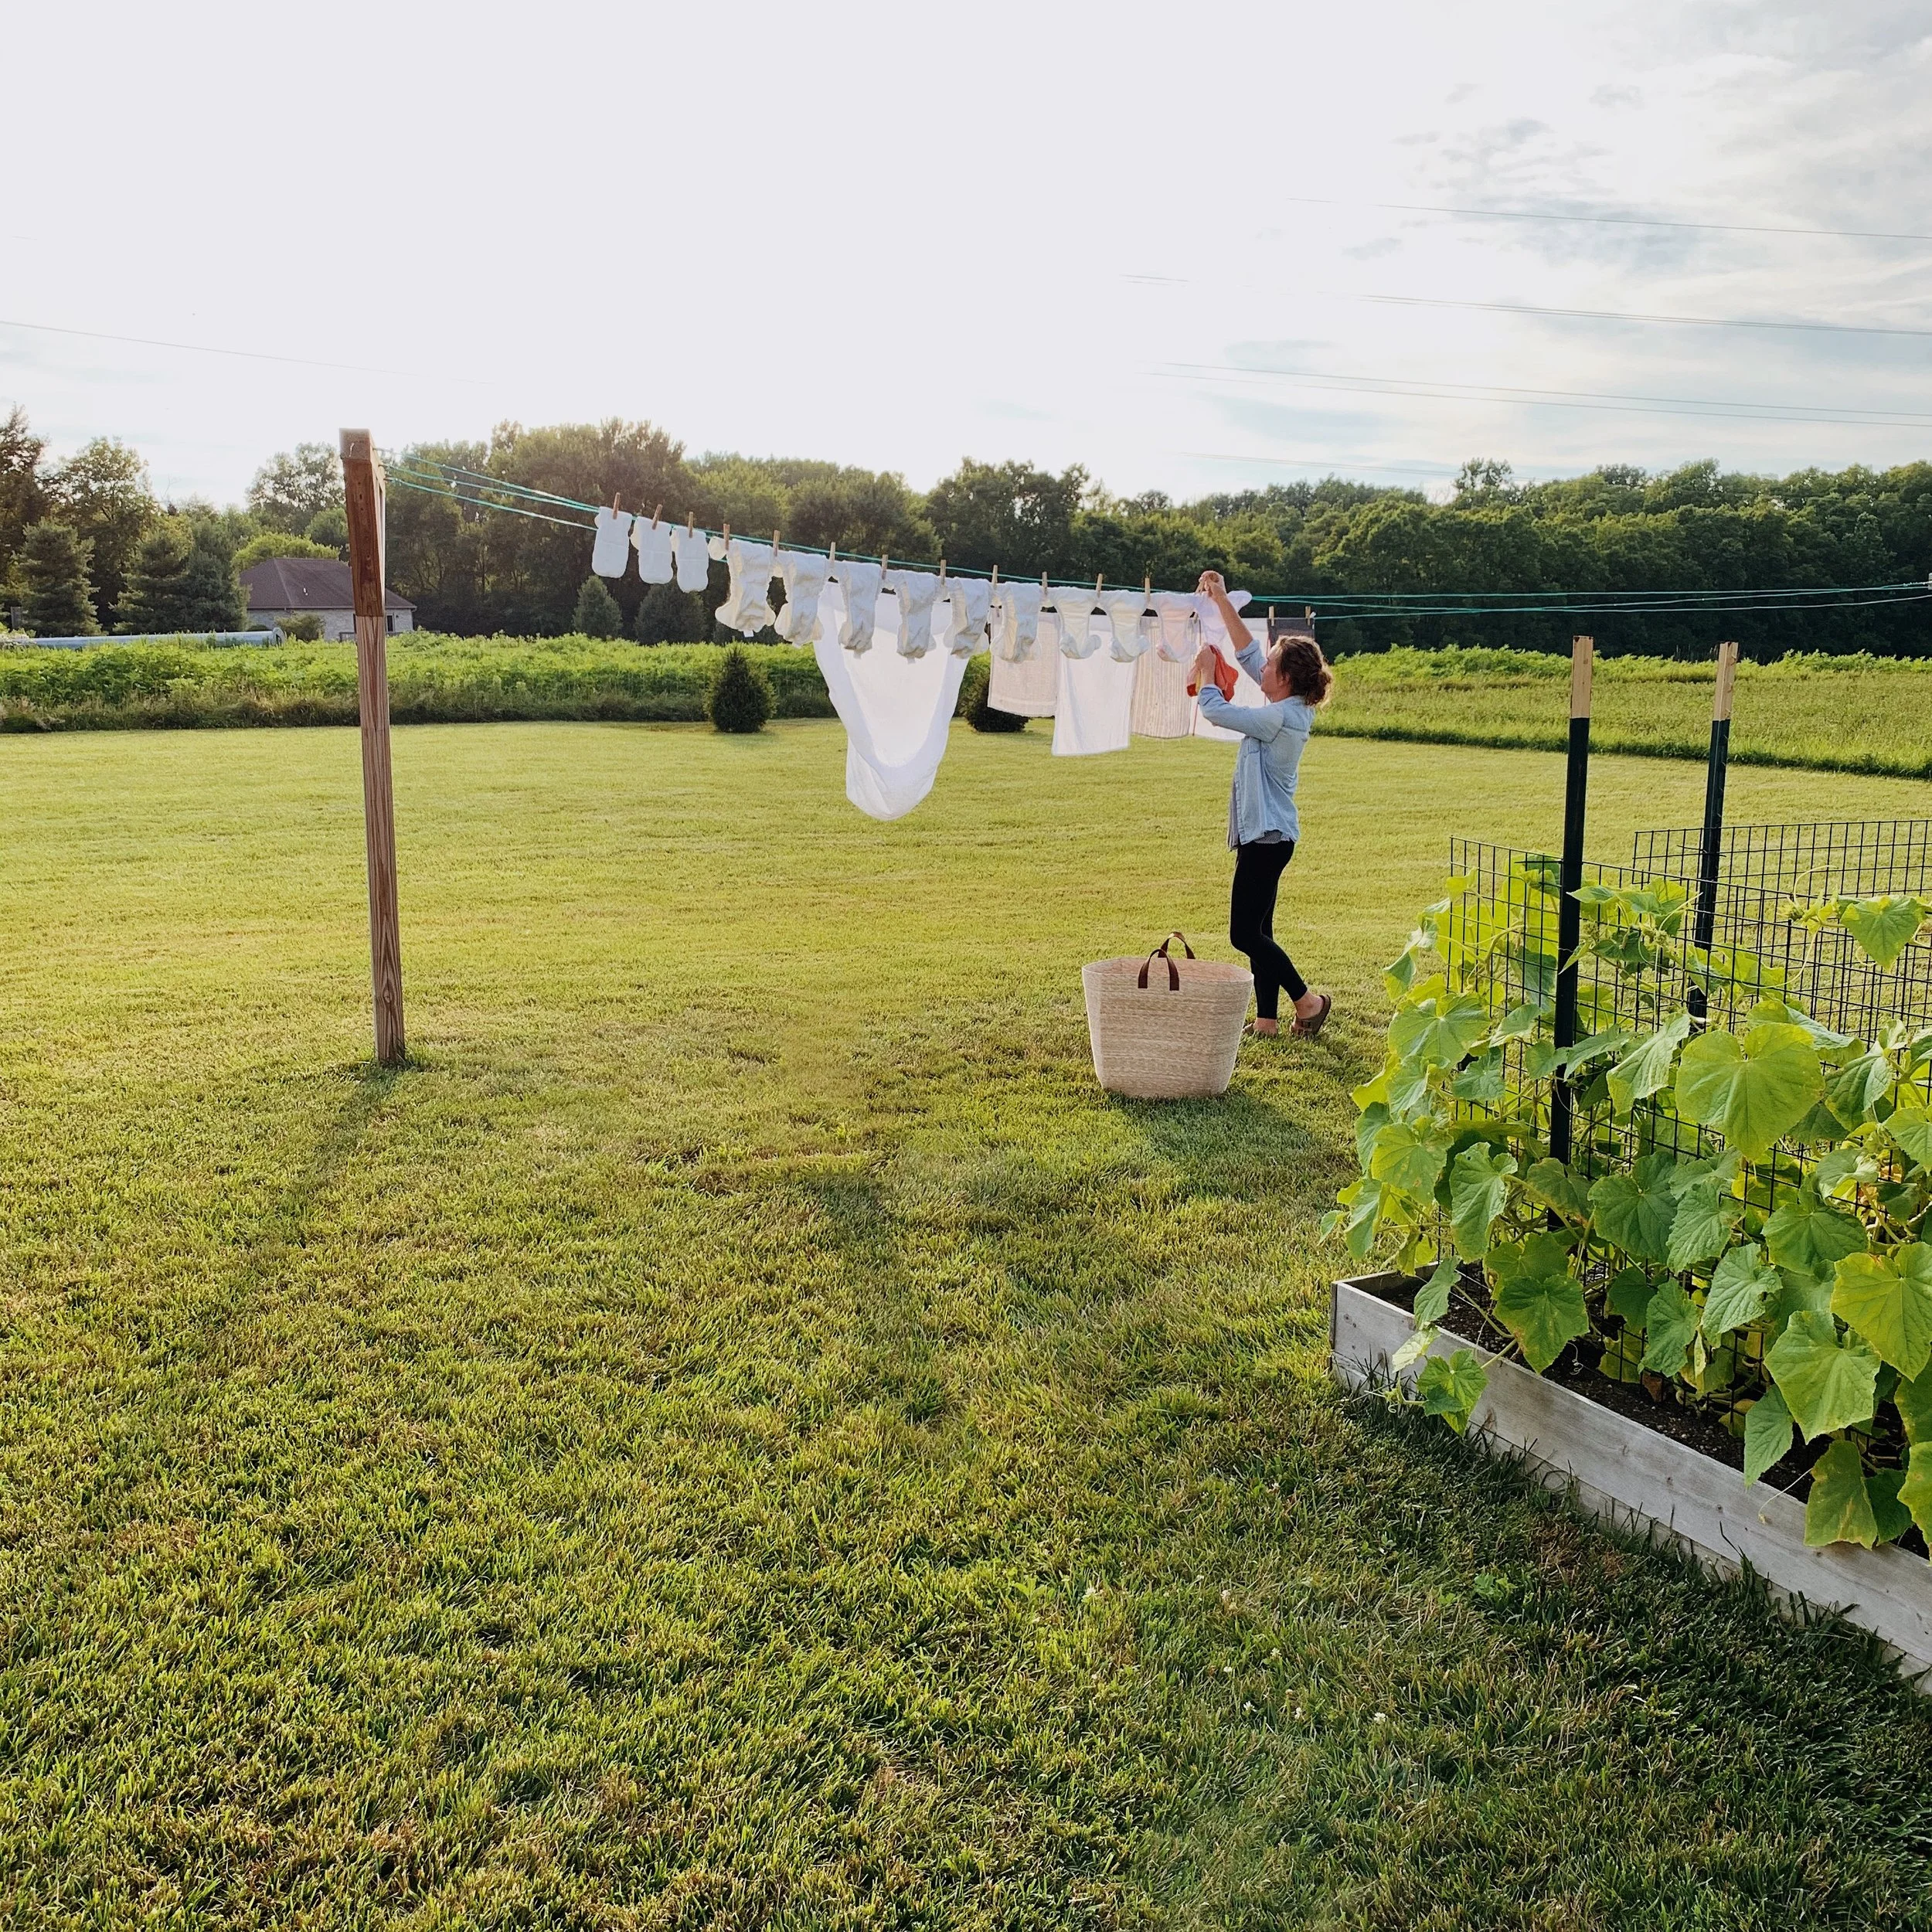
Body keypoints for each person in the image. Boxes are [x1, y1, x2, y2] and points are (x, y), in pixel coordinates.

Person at [1191, 570, 1333, 1038]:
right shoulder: (1287, 701)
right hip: (1269, 836)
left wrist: (1208, 676)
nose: (1260, 668)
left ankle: (1308, 1002)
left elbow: (1215, 711)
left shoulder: (1279, 716)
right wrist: (1219, 598)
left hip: (1267, 838)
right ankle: (1267, 1021)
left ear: (1285, 678)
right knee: (1260, 930)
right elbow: (1248, 650)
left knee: (1242, 934)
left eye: (1270, 665)